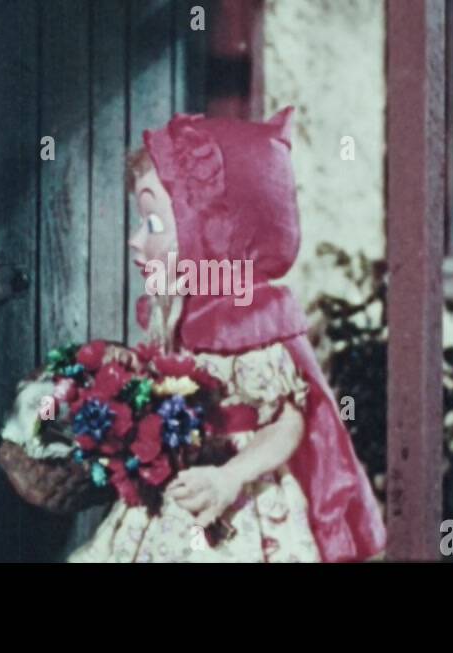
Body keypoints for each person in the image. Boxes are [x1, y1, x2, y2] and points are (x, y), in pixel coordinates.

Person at [68, 108, 385, 562]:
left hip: (239, 497)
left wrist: (230, 477)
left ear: (210, 232)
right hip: (178, 491)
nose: (136, 240)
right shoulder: (176, 313)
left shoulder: (246, 322)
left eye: (154, 223)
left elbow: (288, 420)